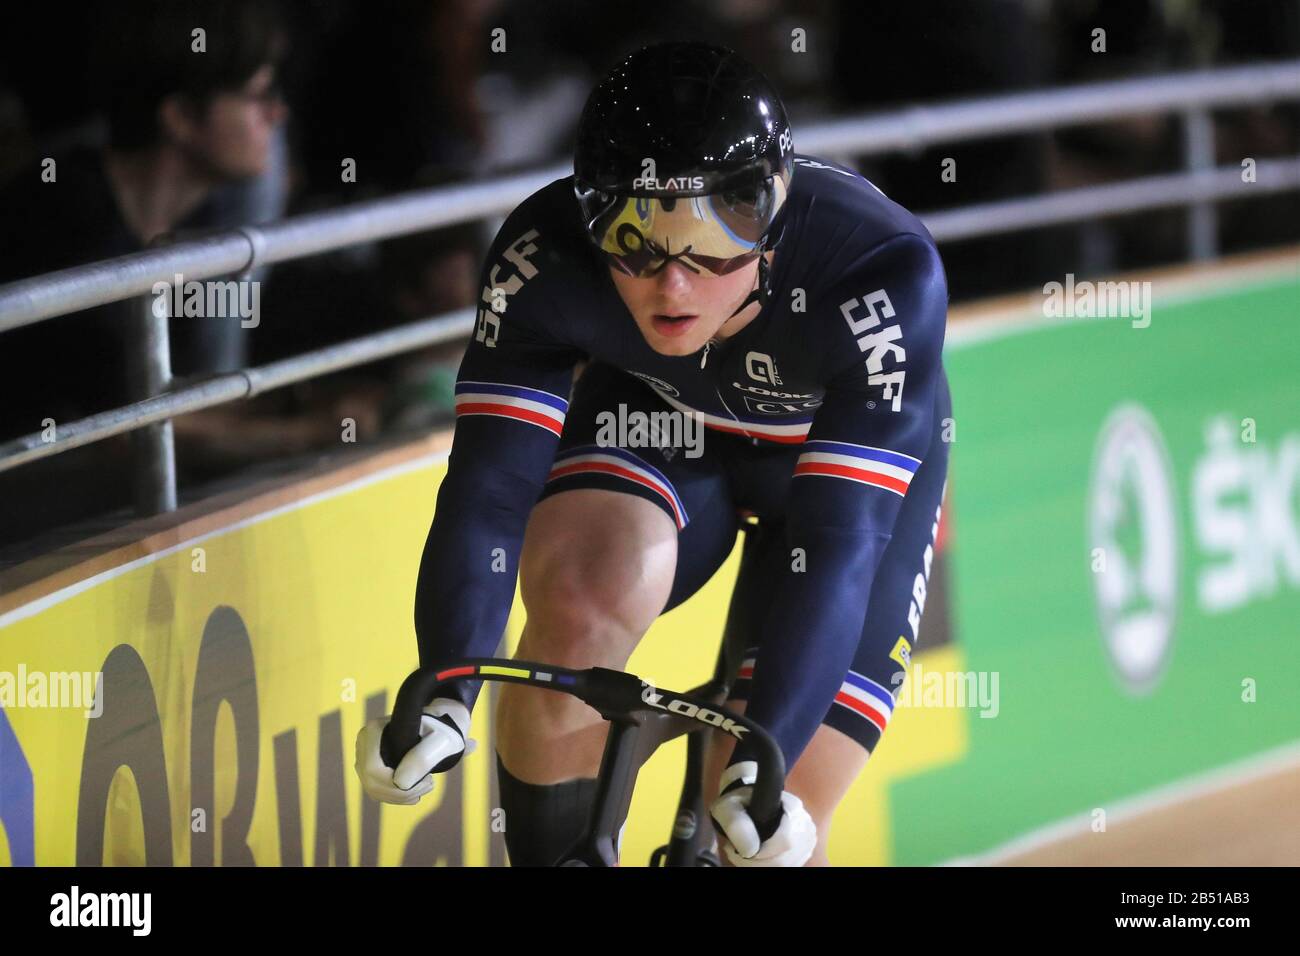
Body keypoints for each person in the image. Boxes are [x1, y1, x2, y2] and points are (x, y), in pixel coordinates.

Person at [356, 41, 952, 867]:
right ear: (588, 213)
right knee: (581, 592)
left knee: (765, 827)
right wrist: (446, 685)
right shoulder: (544, 257)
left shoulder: (881, 273)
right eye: (634, 238)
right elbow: (490, 492)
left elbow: (843, 547)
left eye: (711, 240)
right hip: (663, 428)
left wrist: (764, 755)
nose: (672, 285)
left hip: (839, 492)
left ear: (771, 214)